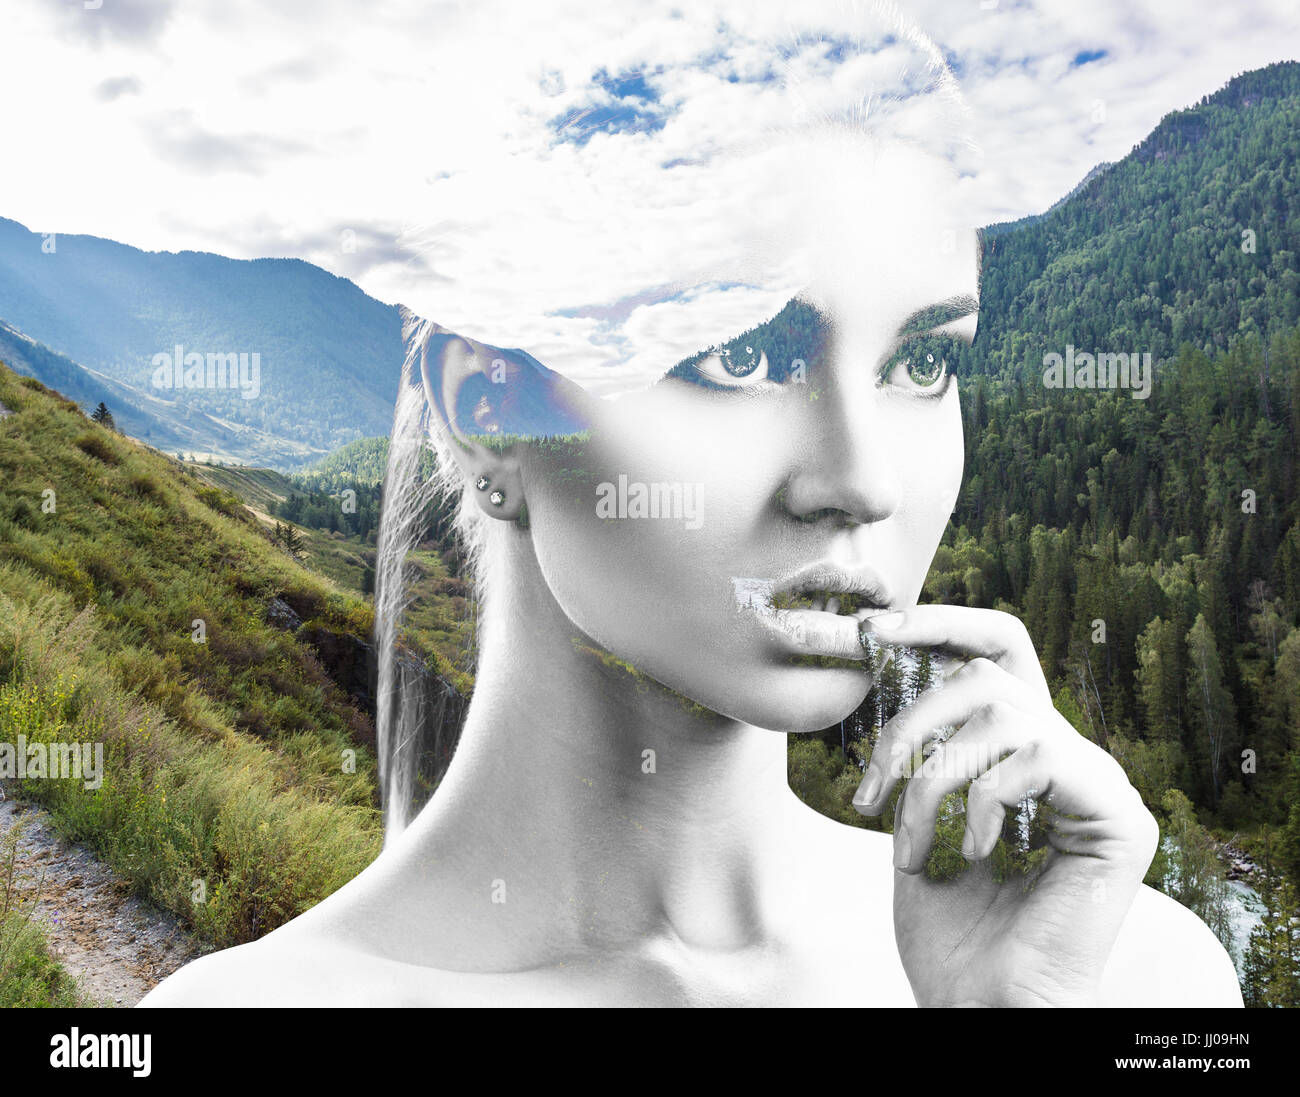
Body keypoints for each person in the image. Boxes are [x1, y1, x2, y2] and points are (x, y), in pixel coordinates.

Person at [142, 6, 1242, 1008]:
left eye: (919, 363)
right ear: (490, 409)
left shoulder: (1125, 969)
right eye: (741, 352)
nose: (861, 483)